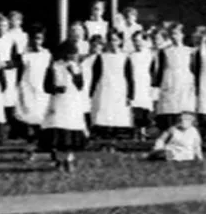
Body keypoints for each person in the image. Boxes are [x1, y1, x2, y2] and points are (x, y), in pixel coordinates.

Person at [41, 41, 91, 172]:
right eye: (71, 53)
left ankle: (69, 159)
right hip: (58, 102)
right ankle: (59, 159)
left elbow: (80, 85)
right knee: (58, 132)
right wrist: (56, 88)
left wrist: (74, 74)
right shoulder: (54, 67)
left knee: (71, 132)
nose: (73, 56)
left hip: (72, 102)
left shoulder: (76, 67)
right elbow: (46, 87)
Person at [90, 34, 135, 142]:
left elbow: (129, 77)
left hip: (120, 87)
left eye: (115, 40)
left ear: (120, 41)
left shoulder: (125, 57)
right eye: (110, 40)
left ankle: (119, 134)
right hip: (105, 86)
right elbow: (95, 76)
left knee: (118, 111)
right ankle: (103, 134)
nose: (112, 43)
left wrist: (130, 94)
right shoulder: (101, 57)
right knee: (104, 109)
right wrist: (91, 92)